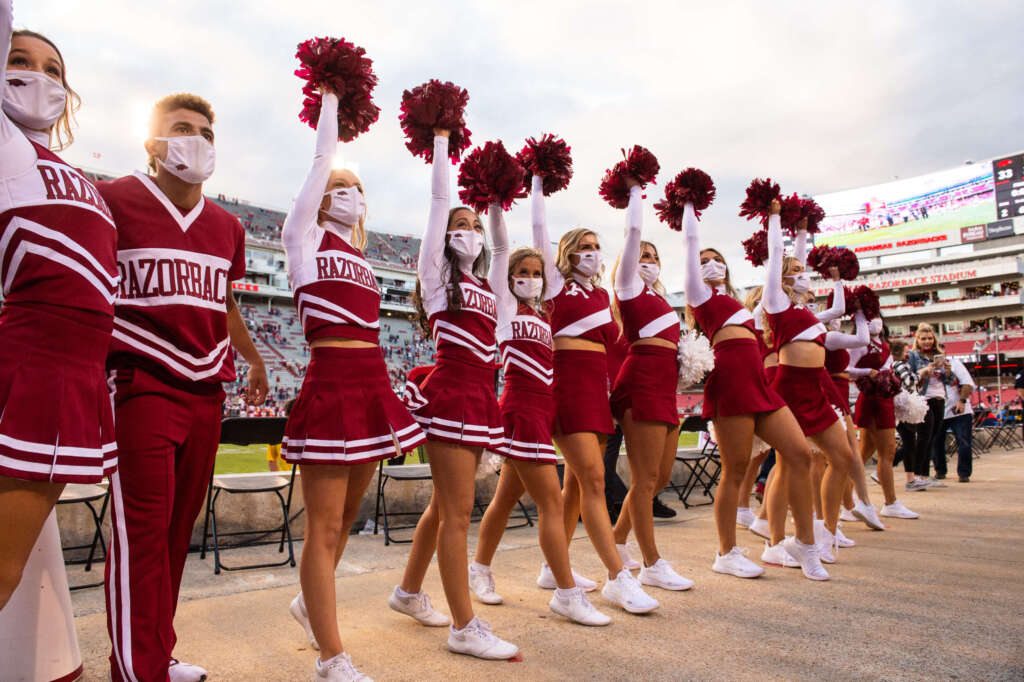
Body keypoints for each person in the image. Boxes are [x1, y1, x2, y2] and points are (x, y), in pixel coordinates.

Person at [99, 92, 268, 682]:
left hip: (206, 389)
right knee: (141, 535)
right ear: (153, 143)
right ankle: (134, 668)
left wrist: (253, 358)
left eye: (204, 131)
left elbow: (221, 301)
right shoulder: (112, 198)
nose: (195, 139)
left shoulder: (227, 225)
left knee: (176, 536)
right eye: (181, 128)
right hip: (141, 379)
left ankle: (156, 652)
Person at [279, 88, 426, 680]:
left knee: (347, 519)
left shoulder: (365, 259)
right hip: (330, 382)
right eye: (339, 188)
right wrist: (333, 98)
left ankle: (305, 604)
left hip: (371, 388)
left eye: (356, 189)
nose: (349, 195)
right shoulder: (302, 241)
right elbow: (320, 163)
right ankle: (330, 657)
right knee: (324, 525)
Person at [0, 0, 118, 612]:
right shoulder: (8, 153)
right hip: (34, 360)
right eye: (20, 61)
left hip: (76, 372)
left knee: (7, 570)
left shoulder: (75, 175)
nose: (39, 76)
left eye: (53, 68)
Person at [394, 130, 519, 660]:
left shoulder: (490, 286)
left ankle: (406, 592)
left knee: (445, 507)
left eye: (474, 227)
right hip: (449, 395)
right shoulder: (439, 281)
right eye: (459, 227)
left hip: (479, 398)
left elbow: (506, 247)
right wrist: (443, 141)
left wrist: (493, 201)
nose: (468, 232)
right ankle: (464, 625)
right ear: (443, 239)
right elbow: (439, 203)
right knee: (459, 513)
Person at [467, 174, 610, 626]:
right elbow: (515, 245)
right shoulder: (506, 308)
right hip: (519, 408)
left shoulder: (544, 310)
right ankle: (564, 590)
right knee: (551, 501)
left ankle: (479, 568)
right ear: (508, 279)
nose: (529, 278)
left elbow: (548, 257)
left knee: (506, 499)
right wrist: (517, 193)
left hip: (543, 411)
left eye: (535, 273)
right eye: (521, 274)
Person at [684, 201, 822, 580]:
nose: (712, 264)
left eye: (717, 259)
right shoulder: (701, 298)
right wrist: (690, 205)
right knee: (735, 471)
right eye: (704, 260)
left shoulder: (744, 304)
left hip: (760, 386)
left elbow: (783, 264)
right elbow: (690, 238)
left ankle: (804, 545)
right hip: (730, 385)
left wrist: (798, 234)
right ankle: (725, 552)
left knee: (799, 454)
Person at [762, 202, 858, 566]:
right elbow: (777, 255)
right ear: (783, 278)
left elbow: (835, 306)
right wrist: (775, 218)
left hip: (816, 390)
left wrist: (803, 230)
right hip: (789, 389)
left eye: (804, 270)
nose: (804, 274)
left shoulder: (808, 312)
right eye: (797, 271)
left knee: (843, 457)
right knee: (788, 467)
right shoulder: (776, 303)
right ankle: (774, 541)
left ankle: (825, 532)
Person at [607, 181, 692, 588]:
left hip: (665, 388)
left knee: (656, 479)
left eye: (654, 257)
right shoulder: (627, 289)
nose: (649, 259)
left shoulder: (662, 300)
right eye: (642, 255)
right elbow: (632, 233)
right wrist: (638, 191)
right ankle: (651, 562)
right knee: (644, 480)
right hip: (639, 383)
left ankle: (617, 540)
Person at [849, 317, 917, 520]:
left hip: (884, 398)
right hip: (873, 400)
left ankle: (847, 498)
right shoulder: (859, 345)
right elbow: (846, 369)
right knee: (887, 451)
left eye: (876, 316)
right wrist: (867, 373)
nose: (875, 321)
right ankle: (890, 502)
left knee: (863, 453)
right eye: (868, 318)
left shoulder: (884, 344)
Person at [907, 323, 953, 485]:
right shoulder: (913, 355)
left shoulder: (940, 354)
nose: (927, 341)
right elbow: (910, 377)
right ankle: (918, 474)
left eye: (929, 338)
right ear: (917, 340)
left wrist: (947, 372)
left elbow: (949, 380)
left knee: (931, 437)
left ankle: (924, 475)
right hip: (923, 399)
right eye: (923, 339)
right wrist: (925, 371)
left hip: (939, 398)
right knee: (924, 437)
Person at [890, 340, 929, 491]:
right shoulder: (900, 365)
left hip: (904, 405)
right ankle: (910, 479)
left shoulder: (897, 364)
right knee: (909, 442)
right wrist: (922, 373)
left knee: (910, 442)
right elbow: (910, 381)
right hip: (904, 405)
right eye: (906, 351)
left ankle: (910, 478)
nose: (908, 354)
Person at [932, 355, 975, 483]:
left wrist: (962, 401)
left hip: (958, 409)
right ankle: (940, 471)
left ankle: (964, 473)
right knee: (936, 442)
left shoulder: (954, 363)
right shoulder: (926, 365)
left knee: (964, 441)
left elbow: (967, 384)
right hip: (939, 410)